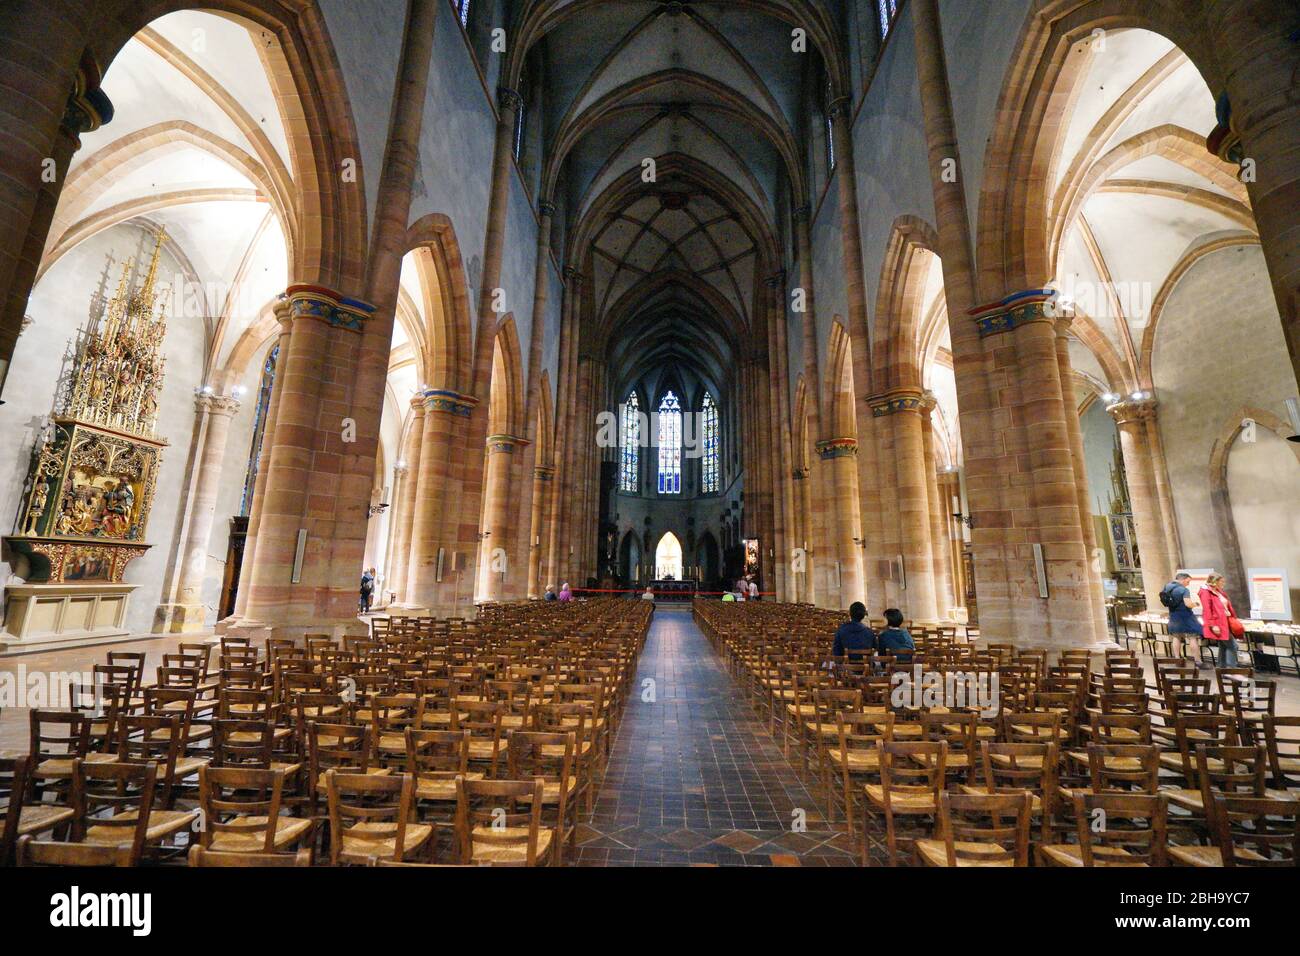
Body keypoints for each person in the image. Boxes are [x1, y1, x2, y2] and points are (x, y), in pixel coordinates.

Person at [1161, 572, 1204, 668]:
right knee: (1192, 637)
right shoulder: (1183, 590)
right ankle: (1197, 661)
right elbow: (1188, 604)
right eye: (1188, 581)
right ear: (1183, 579)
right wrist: (1196, 604)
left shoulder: (1167, 587)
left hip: (1173, 616)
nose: (1188, 584)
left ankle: (1177, 659)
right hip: (1185, 616)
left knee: (1176, 637)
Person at [1198, 572, 1241, 669]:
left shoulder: (1219, 591)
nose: (1223, 584)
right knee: (1233, 645)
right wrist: (1213, 625)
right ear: (1215, 581)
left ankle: (1221, 668)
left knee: (1223, 646)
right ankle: (1231, 668)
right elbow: (1207, 609)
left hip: (1225, 621)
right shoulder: (1205, 592)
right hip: (1218, 624)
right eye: (1221, 581)